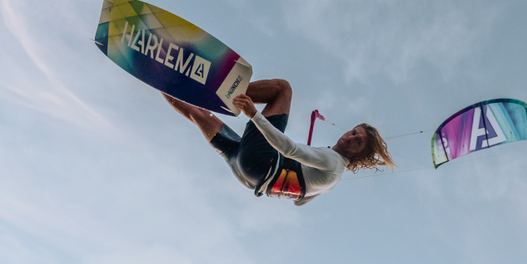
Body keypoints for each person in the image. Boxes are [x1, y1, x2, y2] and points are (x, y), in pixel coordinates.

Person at [163, 78, 394, 206]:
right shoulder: (332, 180)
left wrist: (254, 114)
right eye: (354, 131)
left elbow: (288, 148)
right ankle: (161, 81)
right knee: (200, 115)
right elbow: (300, 202)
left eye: (358, 141)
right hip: (249, 176)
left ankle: (219, 92)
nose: (351, 137)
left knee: (282, 89)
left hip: (262, 161)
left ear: (360, 155)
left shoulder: (332, 161)